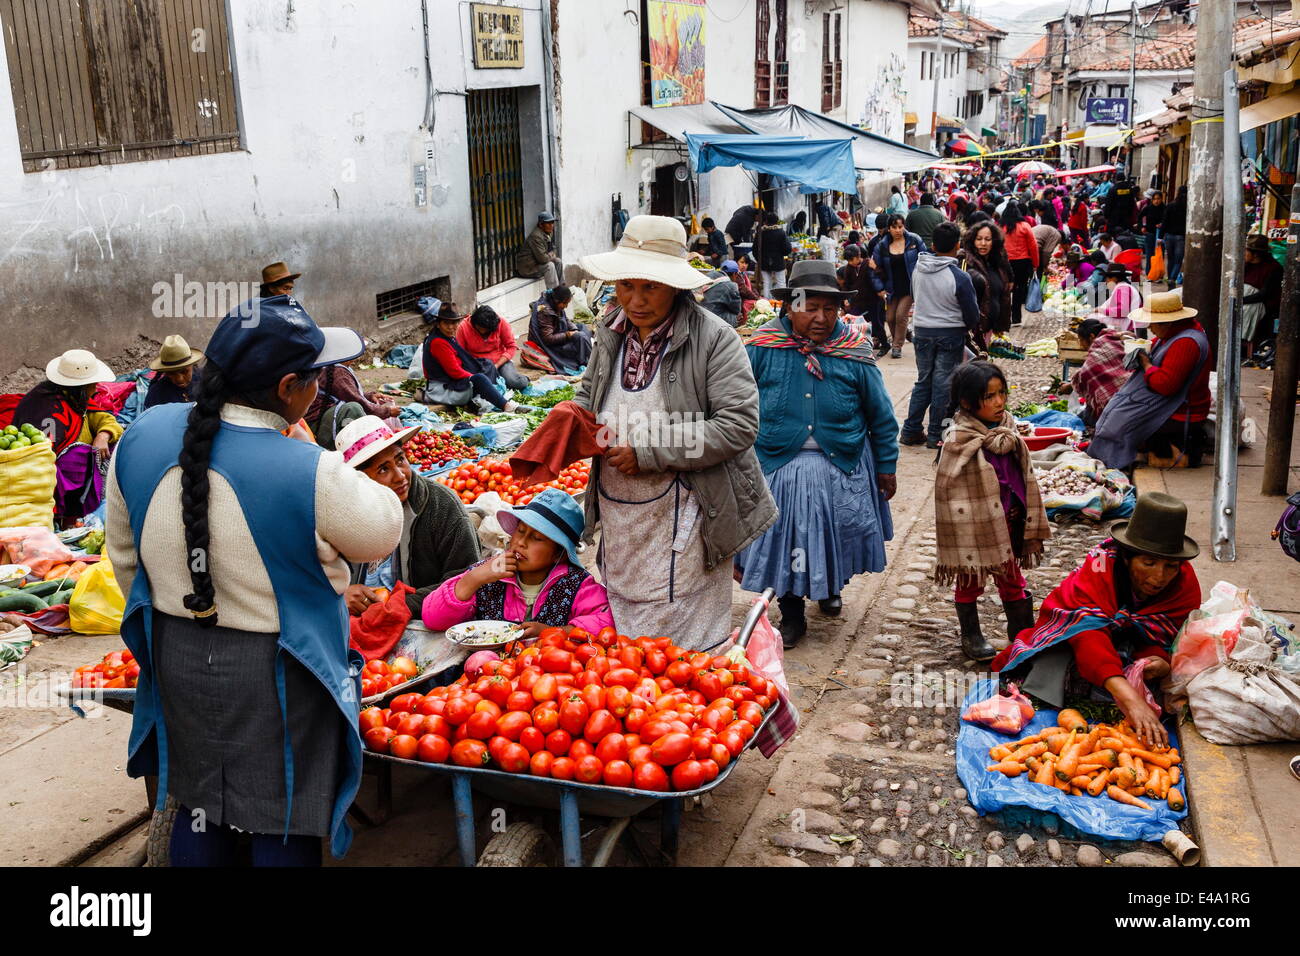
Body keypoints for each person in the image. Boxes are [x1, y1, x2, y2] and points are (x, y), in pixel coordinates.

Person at [106, 295, 403, 865]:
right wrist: (307, 447)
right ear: (289, 387)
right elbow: (380, 531)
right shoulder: (309, 468)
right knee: (281, 814)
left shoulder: (140, 436)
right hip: (279, 670)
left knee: (199, 800)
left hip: (177, 655)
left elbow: (124, 557)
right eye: (316, 379)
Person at [575, 215, 777, 647]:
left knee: (684, 659)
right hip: (621, 515)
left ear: (677, 286)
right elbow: (588, 396)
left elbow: (737, 425)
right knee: (627, 650)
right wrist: (568, 425)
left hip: (690, 513)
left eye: (651, 286)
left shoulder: (714, 339)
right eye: (627, 284)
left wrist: (647, 452)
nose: (636, 299)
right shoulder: (609, 333)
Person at [740, 260, 898, 646]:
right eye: (810, 307)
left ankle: (829, 586)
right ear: (789, 305)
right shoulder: (762, 348)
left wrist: (886, 466)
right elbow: (736, 405)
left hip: (841, 461)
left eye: (829, 308)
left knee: (836, 533)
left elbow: (881, 414)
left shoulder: (853, 350)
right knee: (787, 539)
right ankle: (791, 612)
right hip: (779, 463)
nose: (821, 317)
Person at [993, 492, 1201, 746]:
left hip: (1127, 648)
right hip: (1078, 641)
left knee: (1174, 689)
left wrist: (1160, 661)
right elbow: (1088, 634)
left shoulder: (1184, 584)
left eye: (1170, 566)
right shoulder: (1100, 566)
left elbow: (1171, 637)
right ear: (1127, 557)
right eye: (1149, 563)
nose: (1160, 576)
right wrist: (1131, 700)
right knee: (1049, 675)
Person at [936, 361, 1049, 661]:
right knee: (970, 582)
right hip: (976, 529)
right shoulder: (959, 439)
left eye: (1002, 393)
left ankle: (1022, 635)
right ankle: (971, 635)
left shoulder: (1008, 430)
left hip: (1010, 523)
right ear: (967, 402)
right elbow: (950, 491)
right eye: (989, 396)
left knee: (1013, 580)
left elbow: (1021, 476)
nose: (999, 402)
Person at [335, 416, 481, 618]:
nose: (401, 475)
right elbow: (313, 576)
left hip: (421, 619)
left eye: (400, 460)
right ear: (359, 480)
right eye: (383, 469)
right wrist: (339, 597)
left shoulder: (441, 506)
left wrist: (401, 604)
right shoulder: (339, 514)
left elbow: (466, 579)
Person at [421, 488, 612, 637]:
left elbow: (607, 622)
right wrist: (473, 580)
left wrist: (556, 632)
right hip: (488, 672)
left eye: (536, 538)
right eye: (520, 531)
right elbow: (432, 618)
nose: (520, 542)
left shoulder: (576, 584)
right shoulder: (489, 572)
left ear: (559, 554)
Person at [1091, 291, 1211, 471]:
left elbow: (1165, 385)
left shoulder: (1186, 342)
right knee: (1113, 411)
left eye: (1153, 323)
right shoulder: (1174, 334)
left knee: (1119, 424)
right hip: (1171, 405)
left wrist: (1147, 365)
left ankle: (1112, 461)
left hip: (1181, 412)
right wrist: (1133, 340)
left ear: (1168, 323)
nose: (1150, 327)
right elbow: (1156, 345)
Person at [15, 349, 122, 524]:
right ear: (79, 388)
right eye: (92, 385)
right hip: (46, 476)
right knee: (75, 455)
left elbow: (106, 419)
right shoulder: (44, 404)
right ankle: (66, 516)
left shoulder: (78, 401)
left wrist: (104, 434)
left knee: (115, 446)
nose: (95, 389)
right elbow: (41, 452)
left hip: (73, 480)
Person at [900, 223, 981, 449]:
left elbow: (915, 295)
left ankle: (911, 430)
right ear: (958, 246)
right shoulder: (959, 276)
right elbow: (972, 314)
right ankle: (936, 434)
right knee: (943, 385)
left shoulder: (918, 269)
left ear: (933, 245)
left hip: (922, 333)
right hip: (949, 335)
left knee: (923, 381)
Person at [422, 308, 524, 411]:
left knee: (489, 369)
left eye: (453, 323)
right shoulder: (438, 342)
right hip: (444, 387)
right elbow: (455, 372)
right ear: (438, 324)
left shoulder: (448, 337)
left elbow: (511, 346)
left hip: (498, 362)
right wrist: (474, 379)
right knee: (480, 378)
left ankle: (494, 396)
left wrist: (489, 369)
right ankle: (506, 406)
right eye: (446, 323)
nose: (450, 327)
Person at [304, 356, 403, 451]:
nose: (357, 358)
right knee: (353, 409)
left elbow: (347, 393)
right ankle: (350, 449)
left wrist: (369, 396)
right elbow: (357, 401)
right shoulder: (338, 372)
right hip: (316, 426)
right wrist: (387, 411)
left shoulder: (339, 368)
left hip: (321, 420)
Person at [870, 214, 925, 359]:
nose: (898, 230)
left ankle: (896, 346)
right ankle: (904, 335)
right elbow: (874, 270)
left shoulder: (914, 240)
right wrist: (879, 289)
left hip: (909, 287)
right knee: (890, 317)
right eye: (894, 227)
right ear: (889, 228)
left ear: (904, 226)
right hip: (891, 288)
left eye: (900, 226)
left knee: (901, 315)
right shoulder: (882, 246)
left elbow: (925, 259)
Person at [1059, 318, 1130, 426]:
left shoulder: (1099, 349)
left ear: (1091, 337)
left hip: (1117, 404)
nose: (1080, 344)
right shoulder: (1112, 338)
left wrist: (1070, 386)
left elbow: (1086, 374)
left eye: (1081, 340)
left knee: (1082, 418)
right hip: (1131, 393)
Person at [961, 220, 1014, 346]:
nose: (983, 243)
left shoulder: (997, 263)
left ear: (994, 241)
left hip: (988, 328)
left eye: (987, 239)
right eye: (979, 239)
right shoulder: (965, 261)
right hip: (972, 331)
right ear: (972, 240)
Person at [457, 305, 529, 391]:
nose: (484, 332)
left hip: (500, 362)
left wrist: (496, 365)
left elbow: (511, 347)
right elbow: (460, 353)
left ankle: (524, 379)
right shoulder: (463, 327)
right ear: (475, 323)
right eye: (481, 329)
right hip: (478, 365)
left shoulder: (501, 323)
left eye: (488, 330)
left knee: (513, 382)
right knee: (484, 387)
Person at [529, 285, 593, 374]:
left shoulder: (555, 303)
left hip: (557, 331)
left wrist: (574, 329)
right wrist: (567, 334)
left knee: (582, 328)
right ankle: (586, 362)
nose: (566, 306)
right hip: (548, 344)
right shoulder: (544, 312)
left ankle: (587, 356)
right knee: (581, 336)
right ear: (557, 301)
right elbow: (548, 339)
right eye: (565, 304)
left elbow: (565, 319)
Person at [1000, 202, 1039, 327]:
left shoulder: (1000, 227)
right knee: (1019, 289)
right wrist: (1035, 263)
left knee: (1005, 290)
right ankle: (1016, 318)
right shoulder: (1024, 226)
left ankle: (1004, 318)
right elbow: (1033, 247)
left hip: (1005, 262)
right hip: (1022, 262)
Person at [1243, 234, 1283, 353]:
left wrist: (1240, 300)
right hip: (1246, 300)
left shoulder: (1274, 268)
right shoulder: (1246, 265)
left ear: (1255, 254)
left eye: (1246, 251)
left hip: (1262, 305)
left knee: (1244, 310)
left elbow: (1264, 294)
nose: (1243, 254)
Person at [143, 336, 204, 410]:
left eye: (184, 371)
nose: (179, 379)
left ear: (192, 365)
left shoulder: (205, 381)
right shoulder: (156, 394)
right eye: (171, 373)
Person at [1089, 263, 1142, 332]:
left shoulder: (1123, 288)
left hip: (1131, 324)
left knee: (1093, 318)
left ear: (1114, 278)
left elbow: (1122, 311)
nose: (1106, 281)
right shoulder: (1122, 286)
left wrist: (1101, 310)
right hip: (1129, 320)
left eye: (1107, 278)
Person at [516, 211, 562, 288]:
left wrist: (551, 255)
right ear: (541, 225)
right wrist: (551, 255)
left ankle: (562, 288)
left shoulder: (547, 233)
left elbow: (553, 251)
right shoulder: (536, 236)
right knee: (549, 266)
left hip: (537, 264)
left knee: (558, 261)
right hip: (528, 268)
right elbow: (543, 259)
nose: (551, 226)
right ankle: (554, 294)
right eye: (548, 223)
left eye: (552, 223)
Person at [755, 211, 793, 298]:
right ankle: (782, 302)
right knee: (781, 283)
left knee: (766, 283)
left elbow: (755, 249)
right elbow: (787, 249)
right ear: (777, 221)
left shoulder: (761, 233)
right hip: (778, 262)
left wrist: (759, 259)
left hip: (764, 262)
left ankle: (768, 304)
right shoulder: (781, 233)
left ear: (766, 222)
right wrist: (782, 254)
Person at [1161, 186, 1187, 286]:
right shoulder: (1187, 207)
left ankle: (1170, 279)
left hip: (1169, 236)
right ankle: (1172, 279)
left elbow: (1165, 221)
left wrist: (1160, 236)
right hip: (1180, 237)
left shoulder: (1171, 205)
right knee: (1178, 261)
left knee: (1170, 259)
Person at [1031, 209, 1063, 279]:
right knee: (1038, 272)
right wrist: (1045, 266)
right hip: (1035, 246)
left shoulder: (1050, 229)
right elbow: (1046, 252)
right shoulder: (1057, 235)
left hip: (1029, 245)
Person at [1138, 189, 1164, 267]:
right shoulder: (1148, 208)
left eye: (1158, 199)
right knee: (1149, 254)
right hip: (1150, 234)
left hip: (1160, 236)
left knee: (1159, 254)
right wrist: (1142, 227)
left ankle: (1158, 273)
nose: (1156, 201)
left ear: (1161, 199)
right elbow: (1139, 217)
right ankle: (1149, 273)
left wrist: (1162, 224)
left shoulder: (1164, 208)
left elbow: (1168, 220)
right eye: (1154, 199)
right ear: (1152, 200)